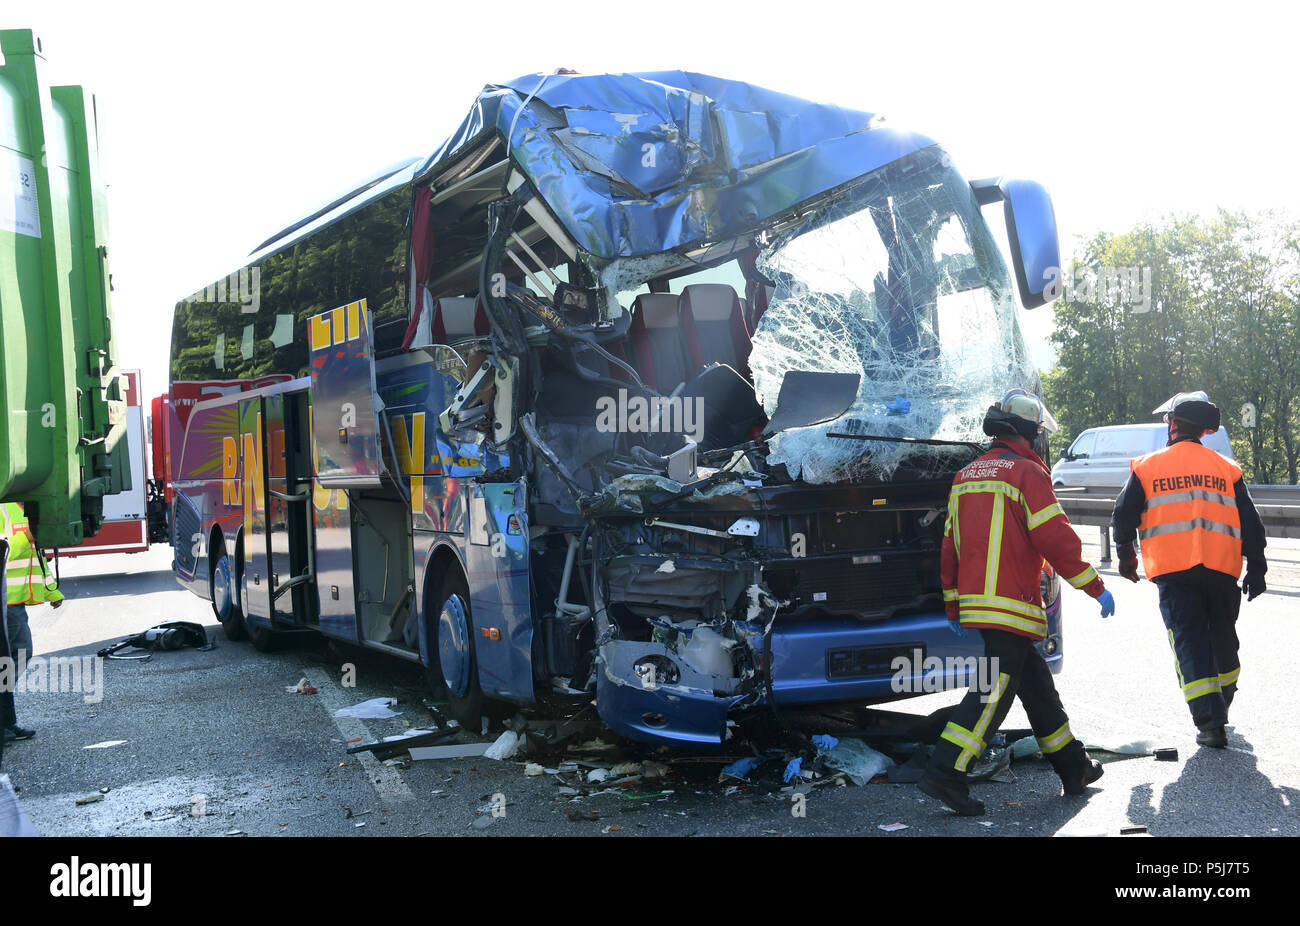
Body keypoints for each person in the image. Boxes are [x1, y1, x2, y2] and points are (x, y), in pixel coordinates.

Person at [918, 389, 1113, 816]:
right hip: (1011, 605)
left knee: (1037, 688)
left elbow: (949, 545)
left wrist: (953, 605)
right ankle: (944, 772)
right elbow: (1055, 539)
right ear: (1029, 433)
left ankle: (1073, 766)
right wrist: (1095, 587)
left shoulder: (967, 474)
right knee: (993, 693)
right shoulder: (1027, 473)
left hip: (978, 605)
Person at [1110, 392, 1266, 749]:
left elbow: (1123, 515)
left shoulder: (1148, 467)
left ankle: (1211, 724)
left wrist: (1125, 555)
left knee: (1190, 644)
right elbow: (1251, 523)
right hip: (1222, 571)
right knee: (1224, 641)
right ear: (1204, 431)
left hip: (1173, 572)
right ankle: (1222, 698)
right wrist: (1257, 567)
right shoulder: (1226, 469)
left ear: (1175, 424)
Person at [1, 502, 64, 743]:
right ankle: (5, 722)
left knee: (13, 658)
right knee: (18, 654)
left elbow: (38, 559)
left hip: (13, 603)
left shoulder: (30, 507)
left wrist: (51, 592)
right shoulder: (4, 508)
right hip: (6, 601)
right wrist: (26, 536)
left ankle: (6, 724)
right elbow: (4, 551)